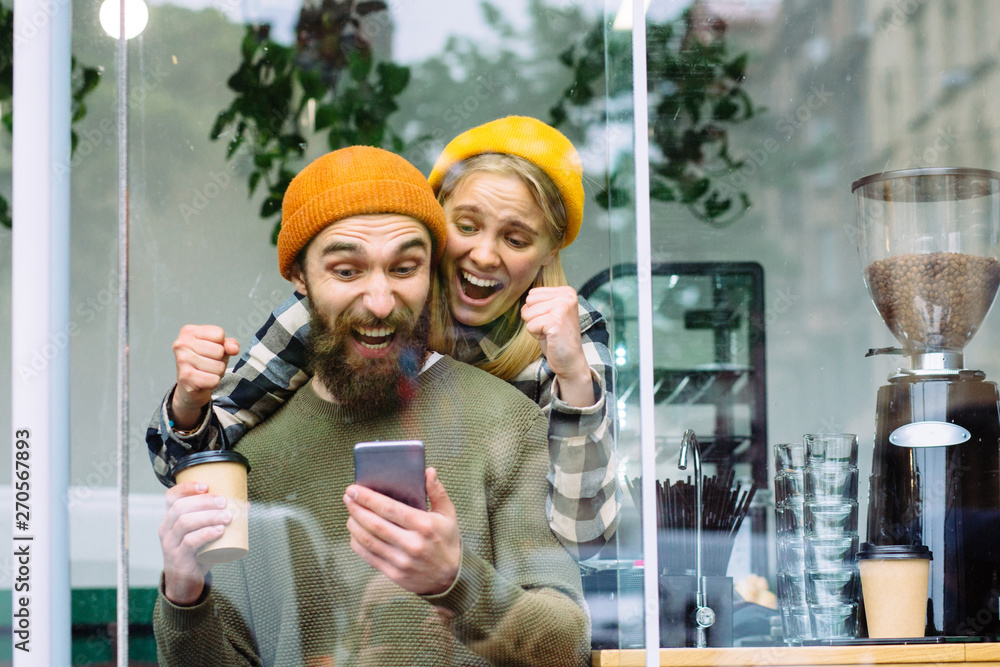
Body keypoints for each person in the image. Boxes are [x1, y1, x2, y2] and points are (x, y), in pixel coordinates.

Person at [153, 146, 591, 666]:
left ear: (432, 270)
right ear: (299, 277)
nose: (380, 301)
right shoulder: (255, 462)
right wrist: (183, 594)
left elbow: (567, 649)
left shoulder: (506, 422)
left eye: (405, 267)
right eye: (346, 271)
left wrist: (456, 580)